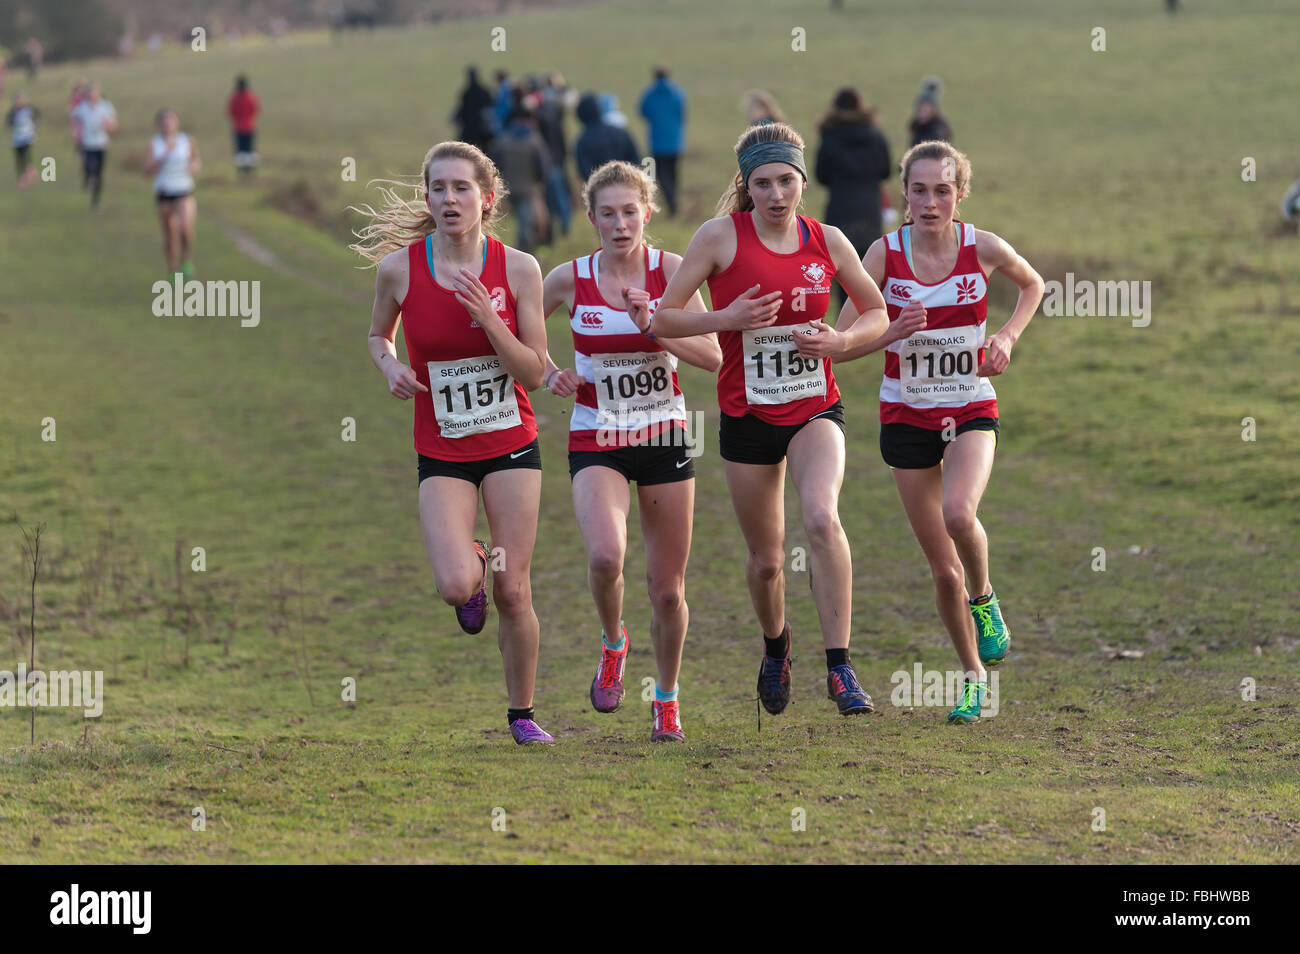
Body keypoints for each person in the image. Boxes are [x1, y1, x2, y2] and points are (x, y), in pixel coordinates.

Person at [651, 121, 905, 719]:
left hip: (815, 404)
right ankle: (776, 646)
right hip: (746, 415)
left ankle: (840, 666)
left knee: (821, 516)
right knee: (767, 561)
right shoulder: (718, 238)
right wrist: (727, 318)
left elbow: (877, 311)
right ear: (747, 186)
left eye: (785, 181)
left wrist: (840, 342)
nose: (775, 194)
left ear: (802, 182)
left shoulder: (829, 240)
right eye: (762, 183)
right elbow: (664, 320)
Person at [834, 140, 1043, 723]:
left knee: (959, 516)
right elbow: (842, 344)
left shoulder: (982, 248)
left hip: (970, 405)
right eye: (920, 190)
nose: (930, 203)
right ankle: (974, 676)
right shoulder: (882, 255)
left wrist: (1004, 338)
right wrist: (890, 329)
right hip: (905, 416)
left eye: (943, 191)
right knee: (941, 567)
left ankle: (986, 598)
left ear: (960, 194)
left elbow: (1033, 285)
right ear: (903, 193)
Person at [353, 140, 552, 746]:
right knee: (456, 586)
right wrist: (390, 369)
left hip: (511, 443)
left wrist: (491, 320)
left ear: (486, 200)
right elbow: (377, 337)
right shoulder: (400, 270)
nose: (448, 199)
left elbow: (536, 373)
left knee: (513, 588)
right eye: (437, 188)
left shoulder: (518, 269)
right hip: (441, 448)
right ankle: (474, 558)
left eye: (461, 188)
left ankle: (522, 716)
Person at [540, 160, 719, 742]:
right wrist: (549, 371)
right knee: (605, 557)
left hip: (667, 434)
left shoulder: (674, 272)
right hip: (598, 437)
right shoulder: (568, 279)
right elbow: (522, 334)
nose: (620, 224)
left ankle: (666, 698)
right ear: (591, 217)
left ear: (648, 212)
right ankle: (614, 641)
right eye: (608, 214)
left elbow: (714, 358)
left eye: (630, 212)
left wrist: (656, 327)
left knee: (668, 591)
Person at [815, 87, 891, 308]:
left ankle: (845, 329)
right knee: (870, 271)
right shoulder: (875, 134)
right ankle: (872, 320)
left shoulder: (829, 135)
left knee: (843, 273)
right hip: (869, 210)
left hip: (841, 211)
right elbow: (886, 170)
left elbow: (821, 175)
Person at [144, 109, 200, 278]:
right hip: (164, 192)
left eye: (171, 120)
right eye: (164, 121)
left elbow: (195, 159)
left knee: (185, 228)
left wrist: (194, 166)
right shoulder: (155, 144)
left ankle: (186, 260)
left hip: (184, 190)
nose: (168, 124)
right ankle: (172, 269)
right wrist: (164, 156)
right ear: (159, 125)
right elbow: (147, 170)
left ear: (177, 123)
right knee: (169, 234)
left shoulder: (187, 141)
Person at [491, 106, 551, 253]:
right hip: (528, 189)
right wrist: (540, 184)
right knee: (526, 225)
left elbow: (494, 164)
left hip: (506, 189)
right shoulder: (535, 141)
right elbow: (543, 167)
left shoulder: (502, 140)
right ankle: (524, 253)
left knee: (501, 225)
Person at [638, 66, 686, 216]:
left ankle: (670, 199)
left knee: (661, 174)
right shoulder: (678, 93)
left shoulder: (649, 94)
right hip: (675, 141)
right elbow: (682, 112)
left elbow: (643, 112)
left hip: (657, 141)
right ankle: (674, 199)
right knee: (673, 173)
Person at [536, 72, 574, 238]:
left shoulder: (544, 113)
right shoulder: (558, 111)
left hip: (551, 160)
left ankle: (563, 225)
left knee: (556, 194)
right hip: (557, 157)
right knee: (559, 193)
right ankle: (564, 224)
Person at [70, 83, 117, 211]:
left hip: (102, 144)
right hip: (87, 144)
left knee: (99, 173)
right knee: (89, 166)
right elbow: (73, 119)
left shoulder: (106, 106)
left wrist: (108, 126)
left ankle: (96, 201)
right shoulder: (82, 108)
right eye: (90, 92)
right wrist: (76, 134)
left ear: (99, 93)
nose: (92, 95)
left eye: (95, 92)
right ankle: (88, 177)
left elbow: (114, 125)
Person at [574, 91, 639, 181]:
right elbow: (635, 157)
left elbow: (584, 169)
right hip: (627, 184)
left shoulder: (582, 141)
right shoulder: (620, 132)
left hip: (601, 190)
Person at [453, 66, 495, 152]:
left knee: (463, 150)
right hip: (480, 129)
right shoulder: (483, 91)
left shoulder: (467, 92)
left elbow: (462, 108)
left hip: (471, 128)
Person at [226, 75, 260, 176]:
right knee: (249, 149)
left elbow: (231, 111)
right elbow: (255, 110)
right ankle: (250, 170)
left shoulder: (234, 98)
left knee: (240, 150)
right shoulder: (251, 97)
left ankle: (241, 170)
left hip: (238, 127)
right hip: (250, 126)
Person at [7, 91, 39, 189]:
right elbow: (9, 123)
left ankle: (30, 172)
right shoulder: (13, 112)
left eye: (21, 100)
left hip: (27, 138)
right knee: (19, 160)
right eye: (18, 101)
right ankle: (22, 179)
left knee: (27, 157)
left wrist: (36, 125)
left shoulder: (28, 110)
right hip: (17, 140)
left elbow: (37, 114)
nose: (19, 103)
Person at [908, 77, 952, 147]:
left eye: (925, 110)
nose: (922, 114)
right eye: (920, 110)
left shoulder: (938, 131)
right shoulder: (917, 127)